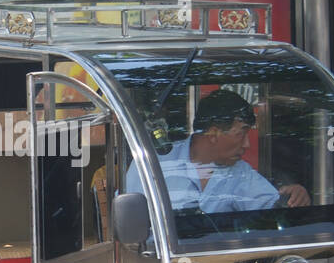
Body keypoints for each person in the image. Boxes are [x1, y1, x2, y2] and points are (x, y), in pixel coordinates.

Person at [124, 88, 310, 210]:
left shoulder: (240, 172)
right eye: (241, 134)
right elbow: (128, 226)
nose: (247, 144)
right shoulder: (152, 164)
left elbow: (271, 207)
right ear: (214, 133)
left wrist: (292, 196)